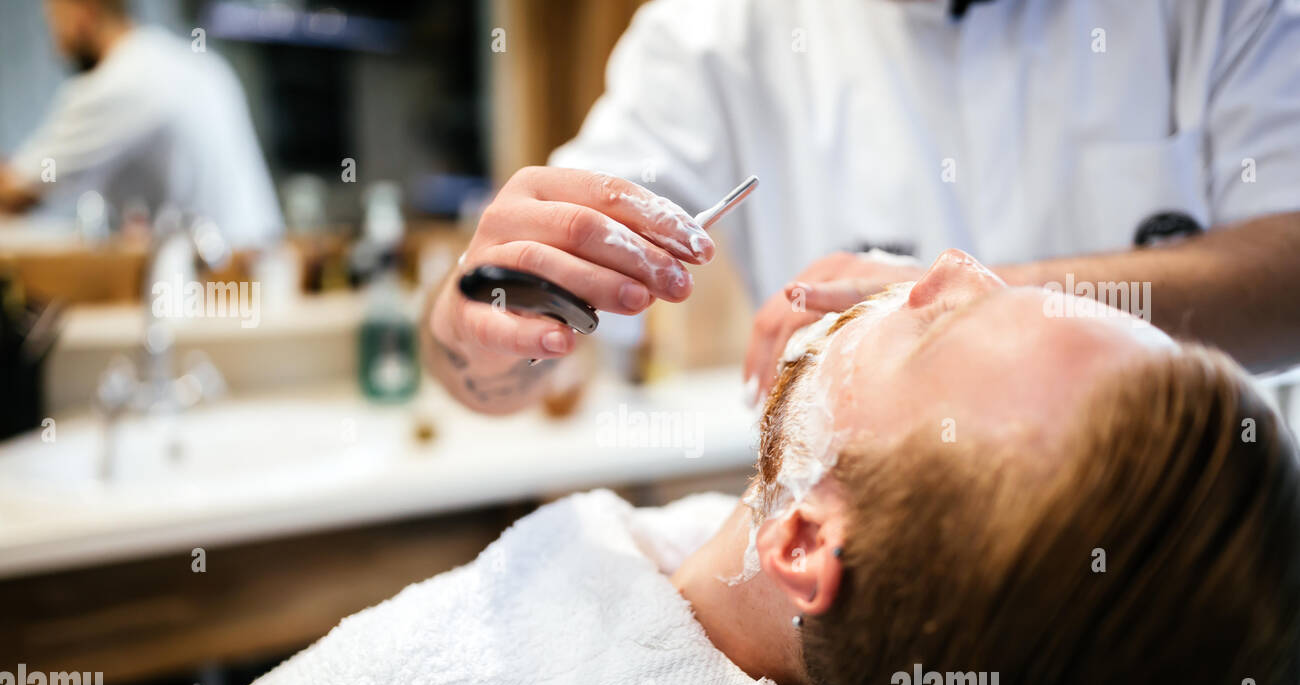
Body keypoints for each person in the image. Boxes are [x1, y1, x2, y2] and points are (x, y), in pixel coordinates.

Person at [132, 250, 1300, 685]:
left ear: (802, 540)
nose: (948, 261)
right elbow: (473, 344)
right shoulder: (849, 651)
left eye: (949, 319)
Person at [423, 0, 1300, 415]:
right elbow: (498, 367)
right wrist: (480, 331)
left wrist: (976, 304)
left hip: (1182, 591)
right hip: (869, 612)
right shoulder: (712, 32)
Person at [0, 0, 282, 248]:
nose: (56, 45)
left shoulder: (116, 83)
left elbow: (15, 191)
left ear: (84, 13)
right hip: (267, 265)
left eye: (56, 21)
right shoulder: (199, 63)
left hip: (211, 275)